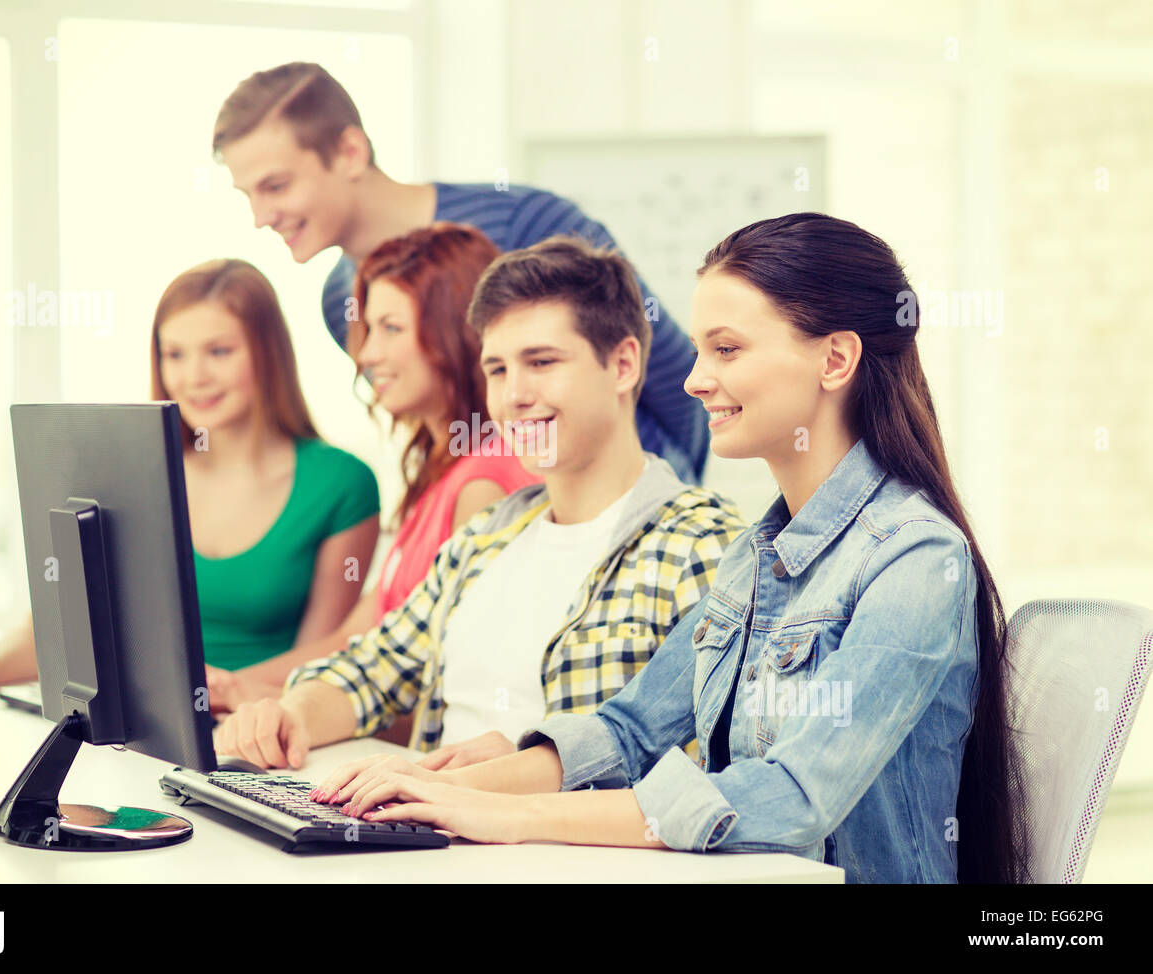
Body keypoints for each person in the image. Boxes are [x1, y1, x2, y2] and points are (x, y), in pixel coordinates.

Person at [311, 213, 1030, 885]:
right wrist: (440, 787)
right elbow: (626, 731)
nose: (693, 380)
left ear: (835, 358)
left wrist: (501, 816)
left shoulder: (915, 560)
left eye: (727, 349)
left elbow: (791, 795)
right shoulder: (759, 555)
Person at [213, 235, 746, 771]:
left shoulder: (700, 542)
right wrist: (292, 715)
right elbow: (372, 669)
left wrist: (520, 769)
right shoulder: (486, 537)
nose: (513, 394)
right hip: (426, 837)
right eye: (497, 369)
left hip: (558, 847)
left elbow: (716, 768)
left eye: (541, 362)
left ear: (623, 364)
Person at [210, 61, 710, 482]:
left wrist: (661, 502)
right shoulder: (338, 303)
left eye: (275, 186)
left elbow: (675, 385)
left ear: (349, 153)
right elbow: (441, 439)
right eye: (248, 195)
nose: (260, 217)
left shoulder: (528, 223)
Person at [0, 259, 381, 701]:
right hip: (139, 732)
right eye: (174, 354)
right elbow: (57, 630)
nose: (193, 376)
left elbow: (323, 657)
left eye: (218, 351)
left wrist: (207, 692)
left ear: (268, 353)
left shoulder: (342, 483)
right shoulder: (128, 474)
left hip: (257, 731)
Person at [206, 223, 540, 714]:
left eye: (391, 328)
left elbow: (437, 685)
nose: (366, 354)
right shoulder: (444, 470)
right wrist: (224, 687)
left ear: (454, 329)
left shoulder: (486, 482)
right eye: (369, 329)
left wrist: (266, 701)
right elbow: (356, 639)